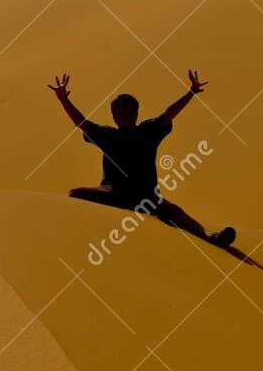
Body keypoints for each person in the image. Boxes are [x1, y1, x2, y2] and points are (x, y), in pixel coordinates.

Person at [48, 70, 236, 248]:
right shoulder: (107, 135)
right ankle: (79, 240)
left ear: (137, 114)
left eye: (131, 113)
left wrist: (191, 92)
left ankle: (210, 236)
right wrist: (64, 99)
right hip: (113, 193)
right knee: (75, 194)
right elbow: (81, 123)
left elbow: (168, 114)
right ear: (114, 117)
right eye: (121, 114)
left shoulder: (147, 131)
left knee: (175, 212)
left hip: (146, 198)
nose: (127, 117)